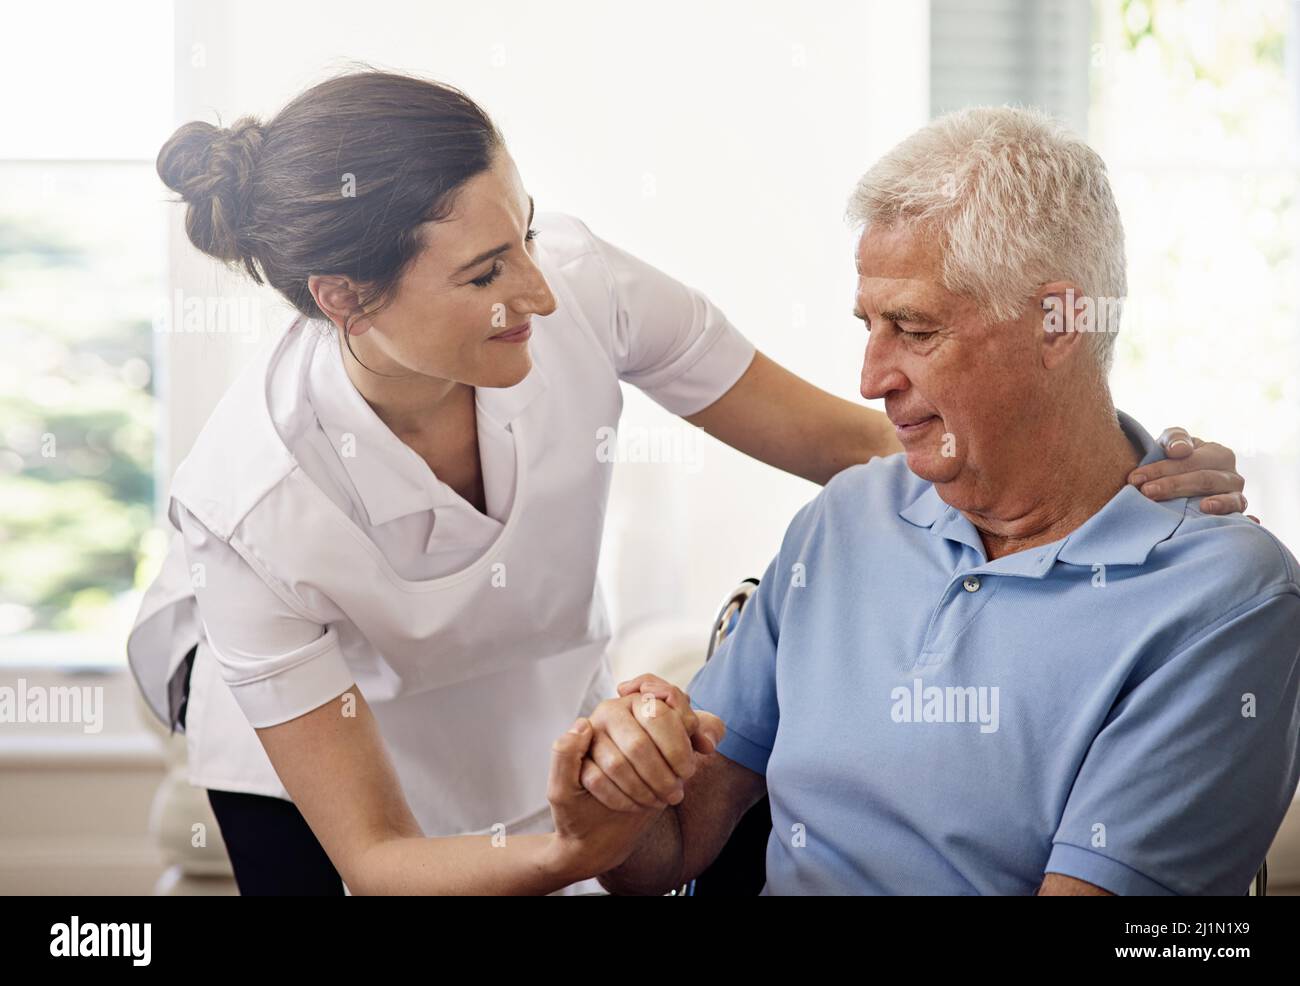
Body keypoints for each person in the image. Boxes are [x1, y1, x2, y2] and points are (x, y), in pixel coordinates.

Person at [127, 73, 1251, 895]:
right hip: (321, 753)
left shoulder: (576, 282)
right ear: (344, 298)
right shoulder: (251, 502)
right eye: (485, 272)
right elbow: (377, 857)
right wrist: (574, 848)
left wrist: (1123, 467)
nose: (540, 285)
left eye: (521, 231)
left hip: (525, 696)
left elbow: (862, 442)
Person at [562, 106, 1300, 896]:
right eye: (868, 325)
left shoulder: (1223, 602)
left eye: (913, 330)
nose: (870, 377)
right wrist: (616, 787)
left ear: (1058, 325)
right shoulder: (843, 523)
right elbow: (667, 853)